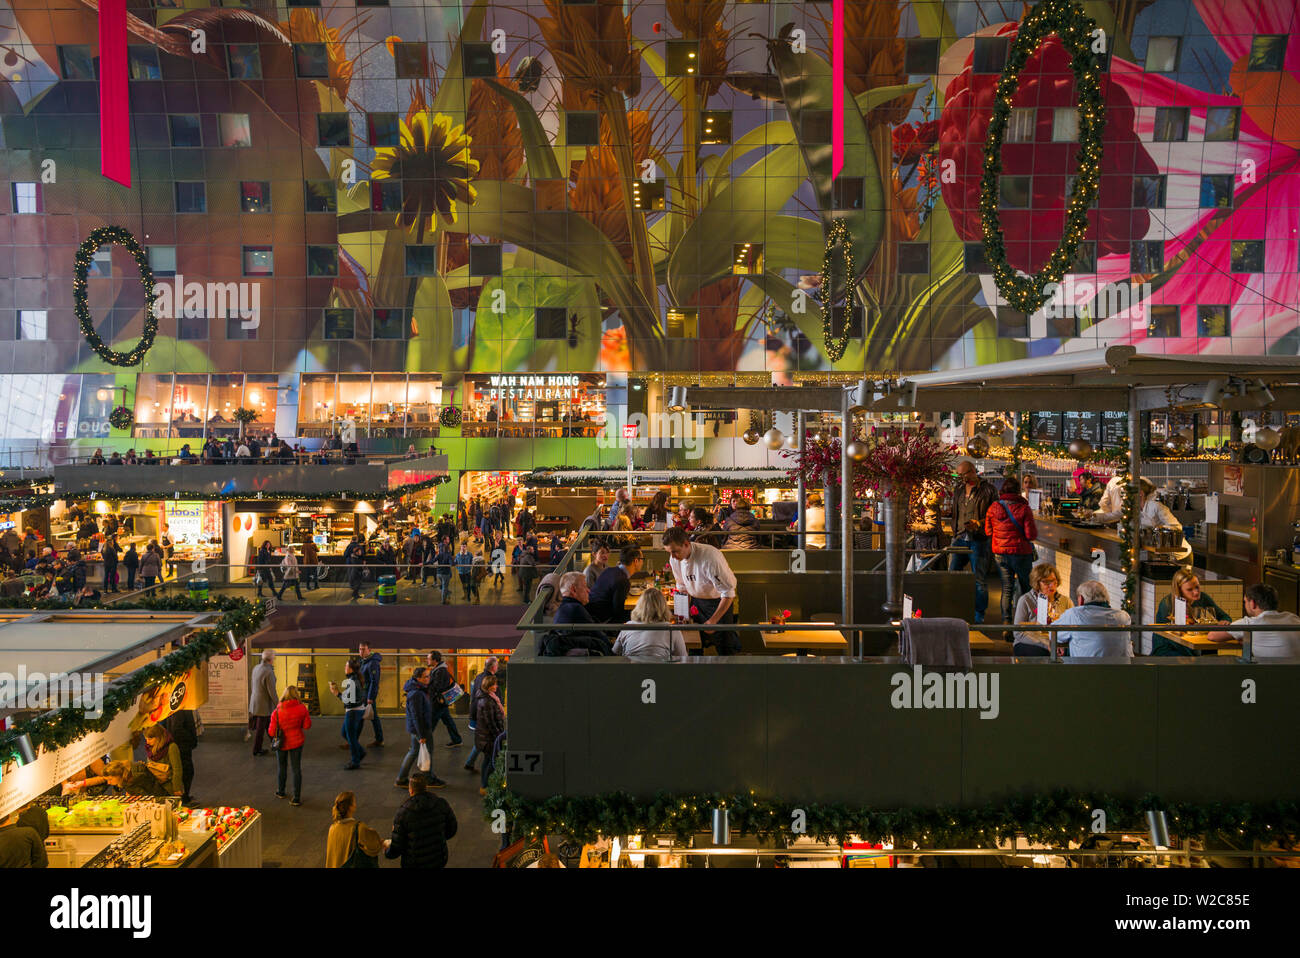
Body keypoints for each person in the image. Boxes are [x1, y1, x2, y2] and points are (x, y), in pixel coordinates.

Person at [664, 526, 740, 655]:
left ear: (686, 544)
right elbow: (682, 586)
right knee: (693, 644)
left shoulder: (710, 557)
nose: (672, 557)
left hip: (719, 602)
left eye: (675, 551)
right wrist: (680, 613)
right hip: (696, 602)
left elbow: (728, 593)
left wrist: (713, 620)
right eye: (669, 552)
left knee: (725, 647)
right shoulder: (674, 559)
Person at [1089, 478, 1191, 560]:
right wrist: (1092, 516)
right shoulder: (1131, 508)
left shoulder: (1155, 506)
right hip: (1161, 556)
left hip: (1181, 555)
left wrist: (1154, 530)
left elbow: (1177, 527)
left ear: (1140, 494)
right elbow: (1109, 517)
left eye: (1128, 494)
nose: (1125, 498)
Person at [948, 459, 998, 624]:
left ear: (973, 471)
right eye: (959, 475)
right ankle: (954, 608)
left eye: (964, 474)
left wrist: (980, 523)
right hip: (960, 537)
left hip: (979, 539)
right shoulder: (959, 489)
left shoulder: (988, 490)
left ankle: (979, 614)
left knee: (979, 579)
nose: (961, 478)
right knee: (952, 574)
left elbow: (995, 514)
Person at [985, 476, 1038, 625]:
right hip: (1021, 553)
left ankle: (1006, 622)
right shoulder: (1024, 508)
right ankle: (1025, 621)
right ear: (1017, 491)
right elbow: (1031, 535)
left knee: (1007, 588)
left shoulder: (993, 508)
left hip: (1000, 554)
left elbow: (988, 532)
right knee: (1026, 587)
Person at [383, 772, 458, 868]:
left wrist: (387, 852)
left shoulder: (403, 813)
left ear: (411, 790)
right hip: (438, 858)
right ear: (426, 787)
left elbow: (397, 846)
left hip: (414, 862)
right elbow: (452, 829)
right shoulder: (441, 804)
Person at [1150, 567, 1231, 656]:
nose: (1196, 592)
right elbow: (1169, 636)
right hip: (1168, 647)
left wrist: (1224, 622)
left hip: (1190, 644)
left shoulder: (1203, 598)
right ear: (1180, 590)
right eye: (1190, 589)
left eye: (1197, 587)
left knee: (1211, 653)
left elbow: (1224, 616)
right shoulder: (1167, 604)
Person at [1208, 583, 1300, 658]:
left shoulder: (1249, 624)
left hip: (1268, 676)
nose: (1245, 605)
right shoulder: (1293, 618)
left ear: (1253, 603)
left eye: (1245, 602)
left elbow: (1212, 636)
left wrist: (1248, 639)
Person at [396, 666, 448, 788]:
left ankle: (401, 778)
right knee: (427, 751)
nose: (429, 678)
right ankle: (428, 778)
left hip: (419, 728)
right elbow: (416, 716)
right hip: (421, 728)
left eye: (429, 676)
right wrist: (421, 735)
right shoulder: (416, 694)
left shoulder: (420, 688)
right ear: (418, 678)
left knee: (414, 751)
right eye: (426, 676)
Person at [1056, 580, 1132, 658]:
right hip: (1123, 667)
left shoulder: (1075, 614)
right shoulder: (1124, 616)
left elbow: (1053, 634)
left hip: (1087, 668)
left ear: (1081, 599)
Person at [1012, 563, 1073, 657]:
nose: (1052, 585)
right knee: (1042, 654)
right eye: (1046, 582)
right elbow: (1018, 632)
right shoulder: (1026, 600)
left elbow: (1073, 626)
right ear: (1037, 583)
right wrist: (1044, 644)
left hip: (1058, 642)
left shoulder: (1066, 601)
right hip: (1031, 642)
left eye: (1054, 581)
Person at [613, 588, 688, 661]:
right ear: (664, 607)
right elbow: (683, 657)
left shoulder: (628, 626)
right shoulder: (671, 629)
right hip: (661, 672)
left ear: (639, 606)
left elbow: (616, 652)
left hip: (630, 672)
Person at [268, 686, 311, 806]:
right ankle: (296, 797)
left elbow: (271, 732)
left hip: (281, 744)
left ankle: (281, 791)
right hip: (297, 742)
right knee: (296, 769)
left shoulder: (276, 712)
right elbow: (307, 726)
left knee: (282, 767)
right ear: (296, 695)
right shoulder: (302, 708)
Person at [463, 656, 500, 773]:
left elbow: (475, 697)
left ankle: (470, 762)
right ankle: (472, 764)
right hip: (482, 716)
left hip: (476, 714)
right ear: (493, 667)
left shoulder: (479, 677)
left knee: (479, 741)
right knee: (483, 742)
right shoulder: (489, 679)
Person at [326, 791, 384, 868]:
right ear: (350, 807)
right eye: (354, 802)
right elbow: (374, 845)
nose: (355, 805)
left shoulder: (332, 828)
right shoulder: (359, 828)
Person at [329, 656, 368, 770]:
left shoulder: (352, 681)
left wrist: (336, 693)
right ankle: (360, 752)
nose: (344, 667)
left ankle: (355, 761)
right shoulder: (357, 678)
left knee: (350, 737)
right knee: (345, 734)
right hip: (359, 710)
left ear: (351, 669)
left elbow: (347, 700)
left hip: (353, 712)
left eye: (346, 666)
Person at [587, 545, 643, 622]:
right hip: (603, 622)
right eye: (642, 559)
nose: (642, 562)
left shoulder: (610, 570)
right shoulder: (622, 581)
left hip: (593, 616)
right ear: (636, 561)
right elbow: (619, 613)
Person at [474, 674, 506, 794]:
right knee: (490, 761)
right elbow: (491, 722)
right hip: (488, 738)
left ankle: (485, 784)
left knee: (487, 760)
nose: (497, 686)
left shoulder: (489, 697)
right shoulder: (486, 701)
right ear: (489, 686)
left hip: (486, 737)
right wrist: (499, 736)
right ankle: (484, 785)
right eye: (494, 684)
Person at [425, 650, 464, 747]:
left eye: (429, 659)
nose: (427, 660)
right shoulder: (438, 668)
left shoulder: (440, 671)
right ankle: (457, 740)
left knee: (430, 722)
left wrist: (426, 685)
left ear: (435, 660)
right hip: (442, 702)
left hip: (438, 702)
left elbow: (437, 687)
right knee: (448, 721)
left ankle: (423, 742)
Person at [161, 708, 200, 804]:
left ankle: (183, 797)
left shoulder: (175, 706)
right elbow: (176, 728)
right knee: (186, 771)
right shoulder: (181, 708)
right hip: (182, 745)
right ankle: (183, 798)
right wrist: (190, 739)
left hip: (180, 744)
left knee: (185, 770)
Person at [249, 649, 278, 755]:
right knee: (261, 729)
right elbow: (272, 691)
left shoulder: (256, 668)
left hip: (256, 702)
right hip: (264, 705)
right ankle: (256, 750)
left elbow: (253, 686)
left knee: (269, 725)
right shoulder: (268, 672)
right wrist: (279, 704)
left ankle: (275, 744)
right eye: (274, 657)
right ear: (271, 659)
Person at [142, 725, 184, 797]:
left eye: (150, 739)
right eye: (146, 739)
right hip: (154, 786)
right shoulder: (150, 747)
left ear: (158, 737)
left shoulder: (171, 747)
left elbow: (177, 769)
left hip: (169, 787)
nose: (147, 742)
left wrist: (176, 788)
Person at [357, 642, 384, 748]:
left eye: (363, 649)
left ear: (369, 650)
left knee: (363, 717)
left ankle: (353, 740)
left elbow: (374, 681)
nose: (361, 651)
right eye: (359, 649)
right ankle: (379, 739)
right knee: (371, 717)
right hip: (363, 693)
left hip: (367, 694)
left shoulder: (373, 663)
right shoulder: (363, 661)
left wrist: (370, 697)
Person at [343, 535, 366, 602]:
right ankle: (355, 592)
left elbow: (345, 555)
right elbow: (363, 555)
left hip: (350, 564)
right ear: (357, 539)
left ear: (352, 539)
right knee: (358, 578)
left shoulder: (349, 546)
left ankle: (353, 590)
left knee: (351, 577)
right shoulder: (359, 546)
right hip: (358, 565)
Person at [433, 538, 454, 603]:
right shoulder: (448, 555)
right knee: (445, 587)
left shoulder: (439, 555)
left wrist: (424, 563)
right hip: (445, 574)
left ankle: (447, 594)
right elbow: (451, 564)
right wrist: (454, 561)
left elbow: (433, 560)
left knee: (443, 585)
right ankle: (443, 601)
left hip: (438, 573)